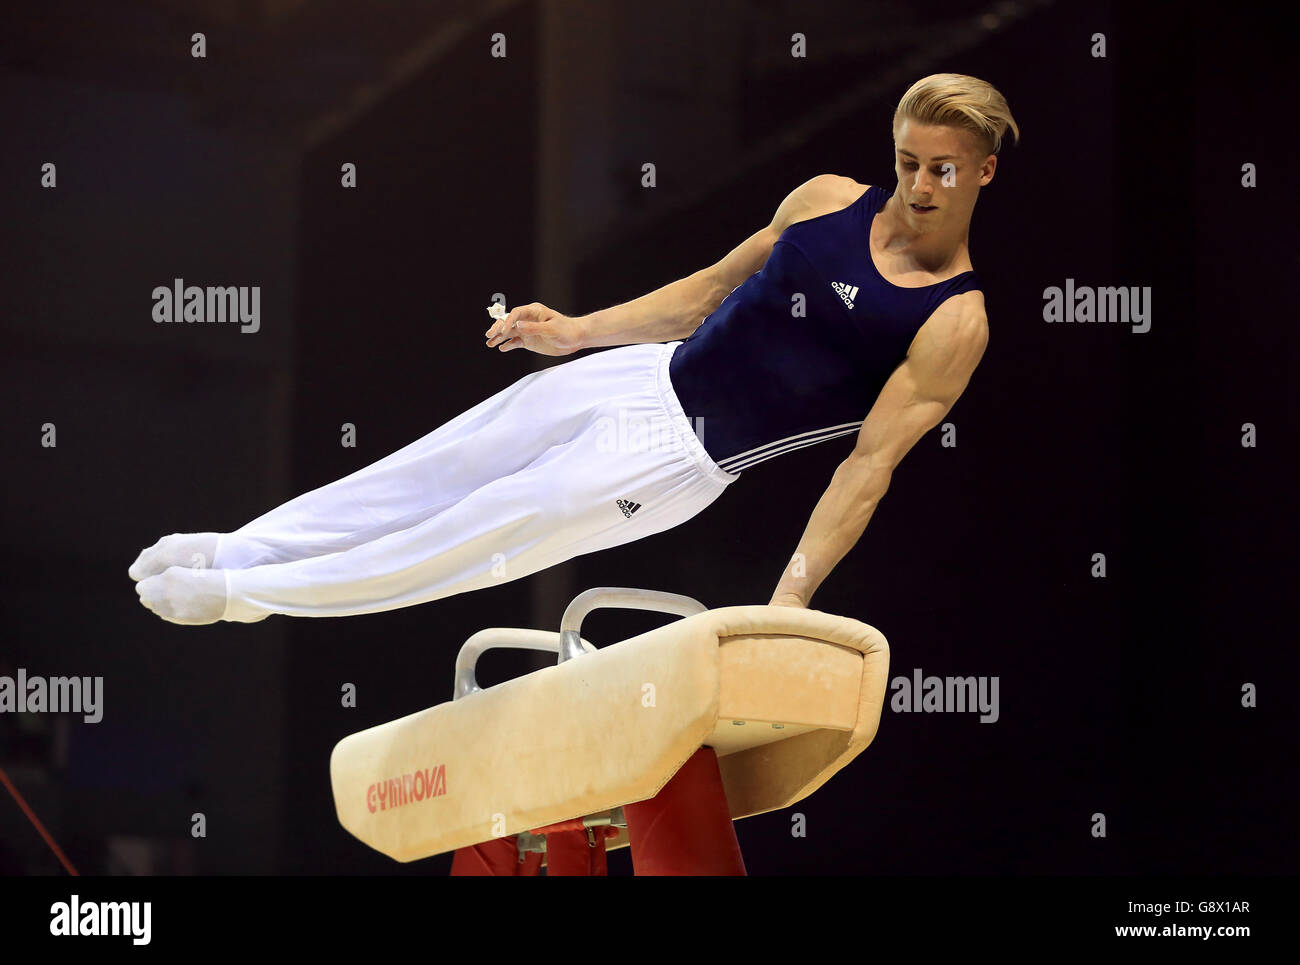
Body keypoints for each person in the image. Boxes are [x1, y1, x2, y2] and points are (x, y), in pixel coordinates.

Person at [131, 72, 1016, 625]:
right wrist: (579, 332)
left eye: (942, 168)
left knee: (477, 532)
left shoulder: (953, 321)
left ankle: (243, 597)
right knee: (433, 468)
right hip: (638, 378)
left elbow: (866, 468)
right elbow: (705, 291)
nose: (919, 185)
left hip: (678, 461)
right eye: (907, 161)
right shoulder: (826, 198)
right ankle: (237, 549)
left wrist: (789, 596)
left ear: (982, 171)